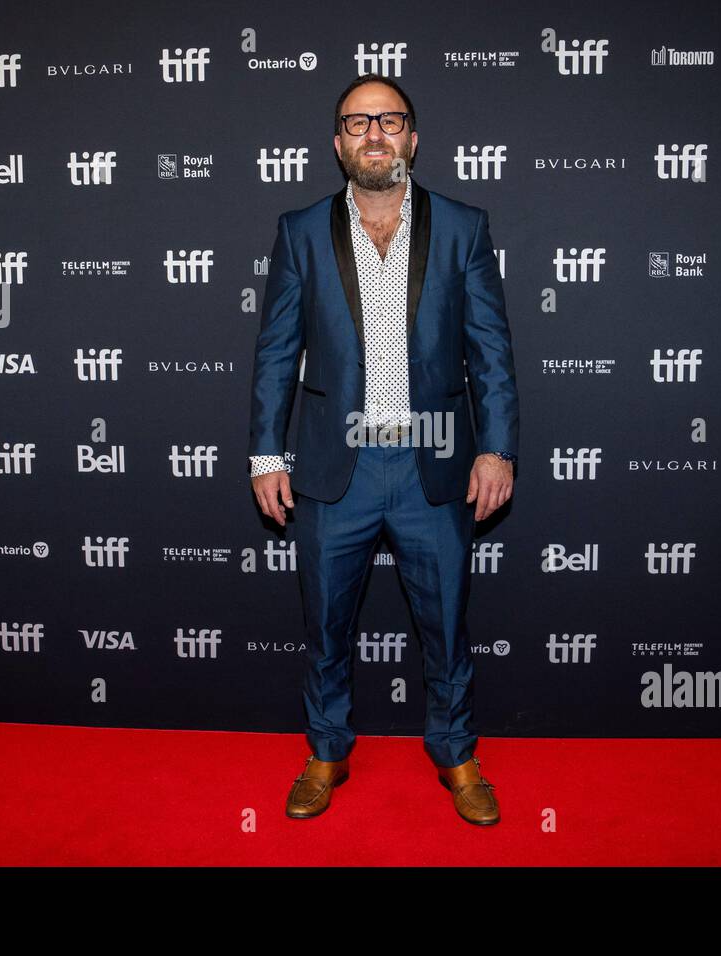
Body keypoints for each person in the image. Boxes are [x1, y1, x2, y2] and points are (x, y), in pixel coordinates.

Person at [247, 73, 519, 826]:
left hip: (435, 463)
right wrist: (266, 455)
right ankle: (327, 751)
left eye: (389, 120)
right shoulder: (301, 230)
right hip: (339, 468)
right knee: (326, 623)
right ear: (338, 142)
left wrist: (496, 449)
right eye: (357, 122)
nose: (374, 134)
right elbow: (276, 351)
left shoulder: (463, 225)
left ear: (413, 137)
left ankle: (457, 753)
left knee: (447, 623)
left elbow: (490, 348)